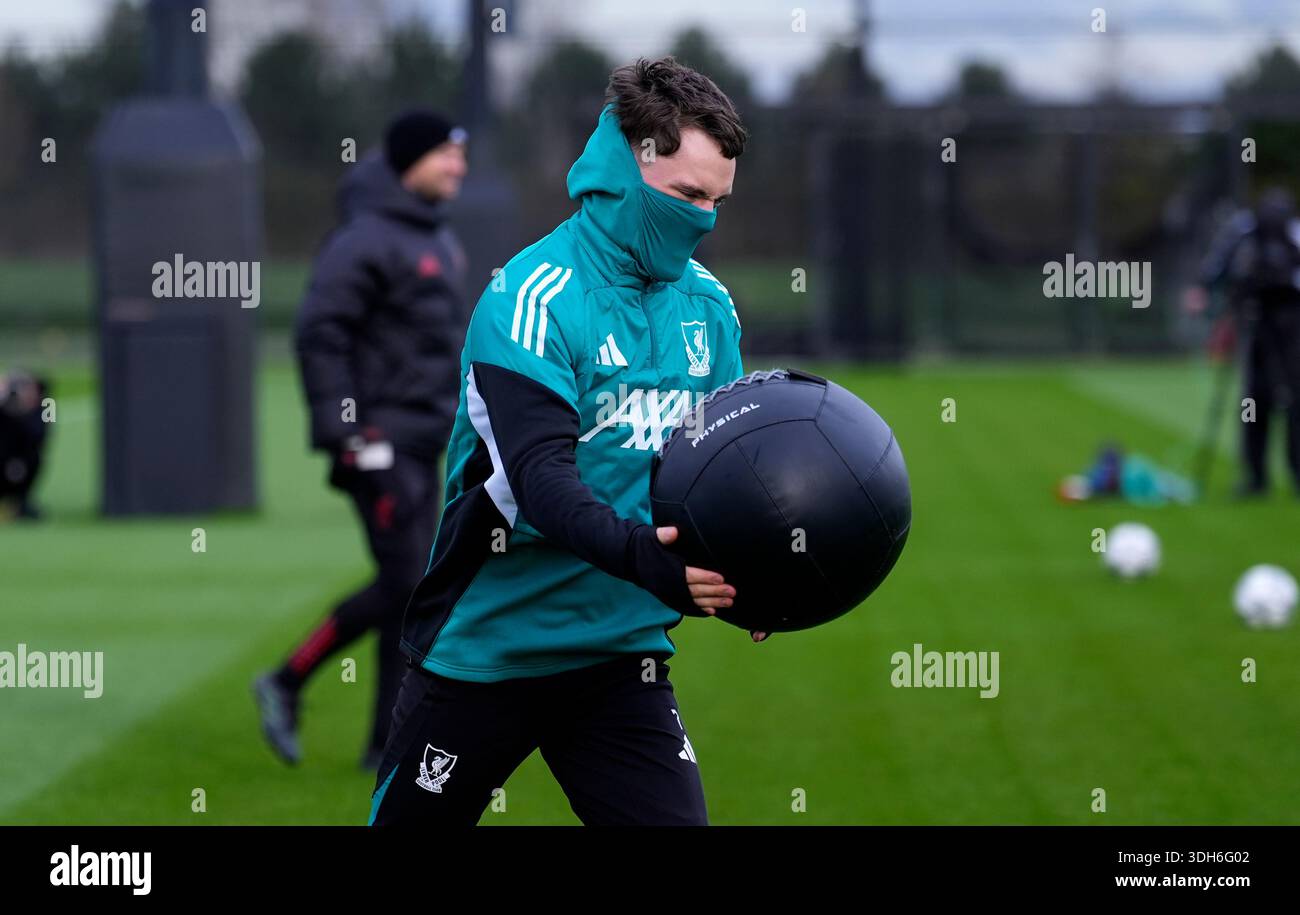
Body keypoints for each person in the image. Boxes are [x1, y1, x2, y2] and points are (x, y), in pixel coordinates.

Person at [368, 58, 765, 827]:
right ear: (626, 169)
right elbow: (544, 486)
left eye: (717, 202)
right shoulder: (530, 297)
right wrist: (658, 563)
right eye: (687, 196)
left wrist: (762, 569)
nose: (703, 221)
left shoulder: (709, 310)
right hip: (485, 648)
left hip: (621, 655)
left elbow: (722, 473)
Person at [254, 110, 471, 771]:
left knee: (407, 583)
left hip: (421, 440)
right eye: (445, 154)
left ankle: (384, 746)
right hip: (377, 442)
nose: (458, 167)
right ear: (410, 162)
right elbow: (321, 334)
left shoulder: (438, 238)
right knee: (411, 583)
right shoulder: (364, 239)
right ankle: (287, 680)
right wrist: (348, 431)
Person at [1184, 187, 1300, 496]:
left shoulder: (1293, 237)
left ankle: (1291, 471)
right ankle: (1255, 476)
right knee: (1256, 397)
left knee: (1293, 396)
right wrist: (1202, 287)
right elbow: (1219, 262)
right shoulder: (1243, 232)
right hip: (1257, 321)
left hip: (1290, 325)